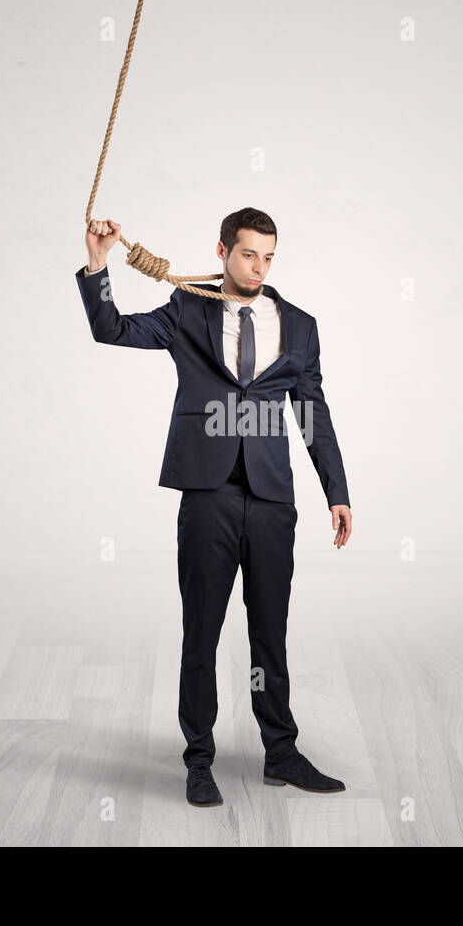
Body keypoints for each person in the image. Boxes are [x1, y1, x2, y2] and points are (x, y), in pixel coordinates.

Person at [75, 207, 353, 806]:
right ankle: (198, 758)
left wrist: (336, 490)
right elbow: (112, 329)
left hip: (273, 498)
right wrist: (100, 267)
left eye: (269, 256)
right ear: (223, 250)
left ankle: (280, 752)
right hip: (208, 495)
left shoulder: (299, 326)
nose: (259, 266)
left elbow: (312, 411)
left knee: (269, 633)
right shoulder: (187, 310)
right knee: (201, 630)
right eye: (249, 253)